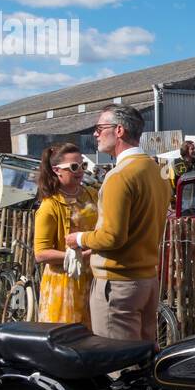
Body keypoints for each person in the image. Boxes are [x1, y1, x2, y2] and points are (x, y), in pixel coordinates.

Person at [67, 106, 169, 341]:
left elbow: (112, 237)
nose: (95, 134)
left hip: (119, 284)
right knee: (144, 360)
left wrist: (79, 239)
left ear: (119, 130)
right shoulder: (157, 171)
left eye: (100, 128)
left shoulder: (120, 176)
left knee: (118, 364)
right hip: (147, 280)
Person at [33, 143, 99, 324]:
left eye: (82, 165)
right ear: (56, 170)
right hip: (64, 285)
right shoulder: (50, 206)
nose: (80, 171)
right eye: (74, 167)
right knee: (67, 342)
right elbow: (40, 253)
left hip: (93, 280)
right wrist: (76, 256)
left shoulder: (92, 194)